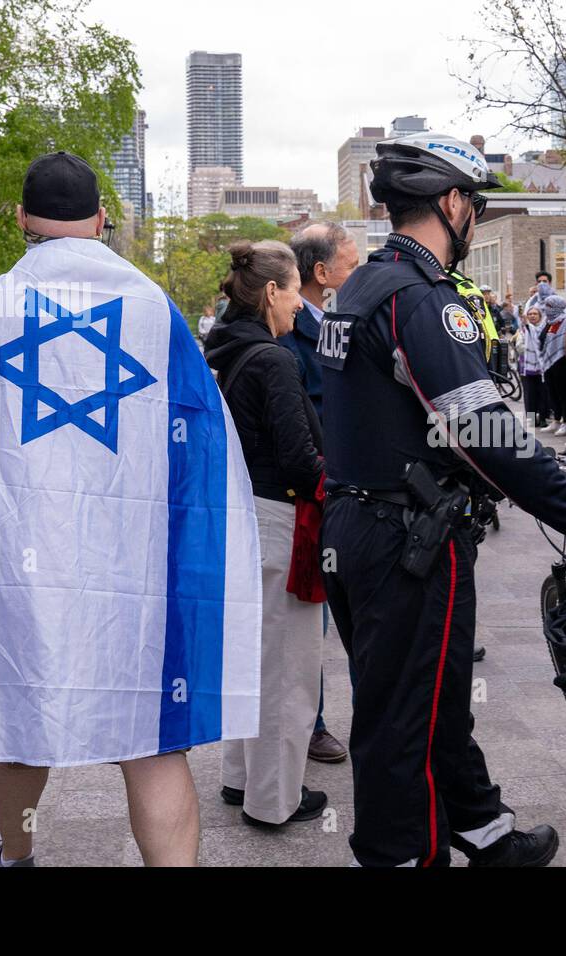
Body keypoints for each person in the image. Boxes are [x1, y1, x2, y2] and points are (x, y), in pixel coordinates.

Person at [316, 131, 566, 867]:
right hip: (404, 538)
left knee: (433, 694)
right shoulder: (423, 299)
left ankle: (479, 827)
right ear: (452, 204)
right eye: (474, 205)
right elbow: (485, 431)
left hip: (361, 525)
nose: (473, 218)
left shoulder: (364, 285)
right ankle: (399, 855)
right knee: (399, 716)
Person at [0, 151, 262, 866]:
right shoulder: (158, 314)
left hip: (17, 568)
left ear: (21, 219)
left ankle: (17, 857)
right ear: (101, 219)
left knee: (19, 723)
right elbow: (204, 460)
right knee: (151, 739)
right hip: (136, 575)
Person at [204, 240, 329, 827]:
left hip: (236, 514)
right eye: (297, 287)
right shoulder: (275, 360)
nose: (303, 304)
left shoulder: (225, 352)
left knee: (247, 658)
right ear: (273, 291)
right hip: (278, 519)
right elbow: (301, 458)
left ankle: (240, 778)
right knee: (285, 668)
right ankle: (274, 799)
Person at [285, 221, 359, 763]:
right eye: (351, 264)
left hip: (349, 483)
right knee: (313, 617)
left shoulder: (338, 318)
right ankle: (309, 723)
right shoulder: (290, 332)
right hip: (314, 487)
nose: (358, 273)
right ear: (321, 272)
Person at [538, 293, 566, 435]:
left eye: (549, 306)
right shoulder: (548, 321)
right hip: (548, 363)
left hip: (561, 362)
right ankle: (556, 420)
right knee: (552, 392)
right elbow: (542, 339)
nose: (546, 309)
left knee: (563, 393)